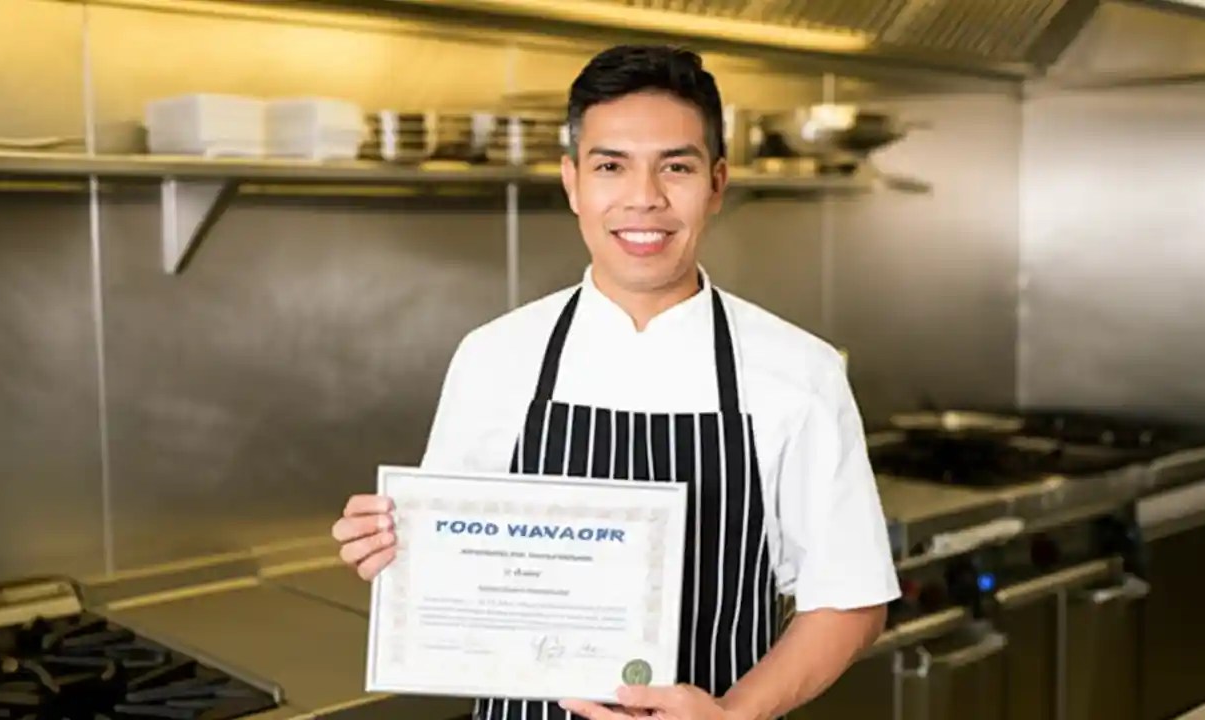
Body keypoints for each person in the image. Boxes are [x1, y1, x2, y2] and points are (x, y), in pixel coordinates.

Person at [332, 44, 900, 720]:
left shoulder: (797, 373)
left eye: (676, 167)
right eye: (610, 166)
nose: (644, 200)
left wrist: (735, 715)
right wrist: (391, 552)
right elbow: (450, 571)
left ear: (717, 183)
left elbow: (851, 600)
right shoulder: (494, 357)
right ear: (572, 181)